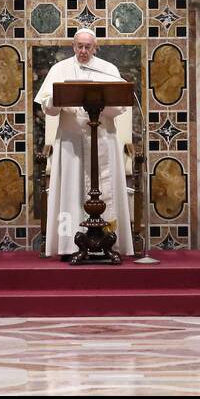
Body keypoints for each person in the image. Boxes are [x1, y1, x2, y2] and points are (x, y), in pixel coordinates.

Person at [34, 28, 134, 260]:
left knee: (104, 189)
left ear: (95, 47)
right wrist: (59, 101)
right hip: (72, 141)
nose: (83, 51)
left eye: (88, 46)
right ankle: (70, 244)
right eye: (79, 46)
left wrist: (97, 105)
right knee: (71, 189)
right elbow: (47, 106)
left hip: (103, 139)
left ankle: (108, 241)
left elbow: (120, 106)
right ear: (73, 46)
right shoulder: (59, 69)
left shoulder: (108, 70)